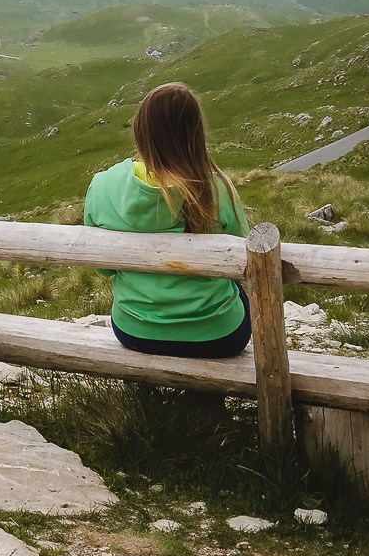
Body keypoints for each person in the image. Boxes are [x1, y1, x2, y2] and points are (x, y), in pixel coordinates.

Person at [82, 81, 252, 357]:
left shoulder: (102, 185)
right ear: (196, 133)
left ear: (141, 131)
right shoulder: (216, 188)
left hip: (135, 330)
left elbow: (104, 269)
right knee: (239, 297)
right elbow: (241, 262)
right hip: (218, 336)